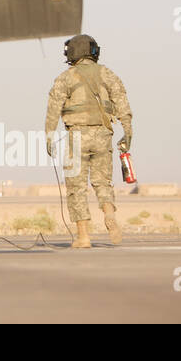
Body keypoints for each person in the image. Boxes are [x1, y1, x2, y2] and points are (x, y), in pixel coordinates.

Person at [44, 34, 133, 249]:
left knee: (77, 186)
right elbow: (121, 101)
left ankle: (83, 237)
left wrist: (49, 135)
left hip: (77, 136)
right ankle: (109, 212)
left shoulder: (66, 78)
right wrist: (127, 133)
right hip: (103, 134)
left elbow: (54, 108)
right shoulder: (107, 74)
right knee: (102, 182)